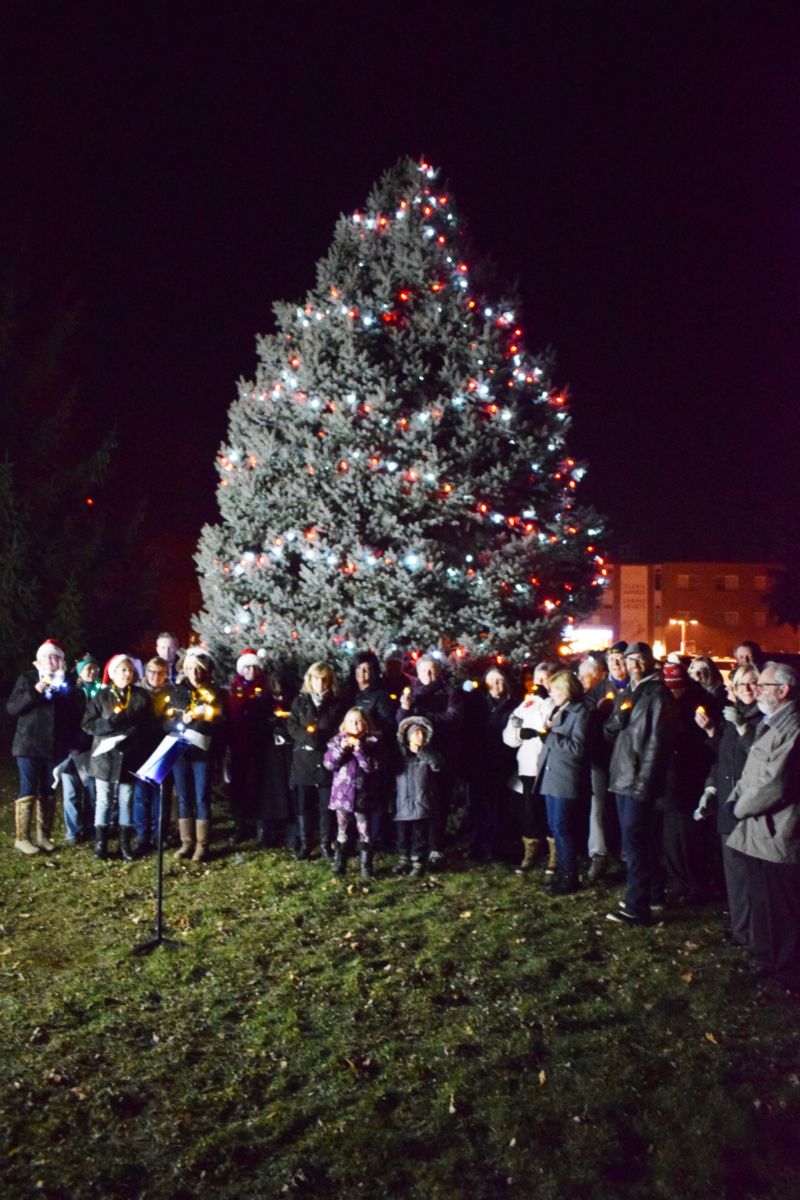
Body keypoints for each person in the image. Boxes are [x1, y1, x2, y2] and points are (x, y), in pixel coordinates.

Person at [726, 662, 800, 995]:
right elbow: (751, 773)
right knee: (762, 903)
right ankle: (769, 960)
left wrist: (738, 809)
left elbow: (774, 783)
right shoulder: (770, 725)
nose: (756, 690)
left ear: (783, 691)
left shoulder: (793, 729)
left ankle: (789, 973)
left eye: (763, 685)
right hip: (758, 834)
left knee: (782, 909)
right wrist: (734, 801)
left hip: (777, 833)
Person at [694, 664, 761, 946]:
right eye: (740, 684)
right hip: (728, 805)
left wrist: (743, 727)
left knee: (751, 876)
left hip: (749, 807)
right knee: (734, 874)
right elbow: (723, 759)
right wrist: (710, 788)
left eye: (752, 682)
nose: (747, 689)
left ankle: (755, 934)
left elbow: (759, 758)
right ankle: (740, 929)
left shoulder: (762, 718)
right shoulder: (733, 716)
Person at [605, 643, 671, 926]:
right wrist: (618, 719)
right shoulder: (628, 692)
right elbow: (609, 733)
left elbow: (657, 743)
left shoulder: (658, 694)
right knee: (638, 840)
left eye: (640, 659)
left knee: (635, 843)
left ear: (651, 662)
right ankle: (653, 895)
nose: (634, 664)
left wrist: (644, 783)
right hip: (622, 776)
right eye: (630, 659)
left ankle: (637, 905)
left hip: (637, 780)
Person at [7, 639, 83, 855]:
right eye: (46, 657)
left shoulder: (67, 684)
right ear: (38, 660)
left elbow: (73, 716)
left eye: (55, 656)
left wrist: (73, 744)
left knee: (48, 792)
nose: (50, 660)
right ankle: (22, 838)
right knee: (28, 790)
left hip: (55, 747)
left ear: (61, 660)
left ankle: (44, 836)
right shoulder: (28, 679)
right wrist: (36, 691)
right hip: (28, 746)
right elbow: (13, 708)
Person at [82, 654, 152, 861]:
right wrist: (109, 723)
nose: (127, 674)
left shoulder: (141, 696)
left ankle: (125, 844)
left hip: (130, 754)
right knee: (103, 800)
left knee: (126, 799)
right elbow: (87, 724)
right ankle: (101, 844)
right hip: (105, 757)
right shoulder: (102, 696)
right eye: (123, 670)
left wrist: (135, 734)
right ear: (112, 673)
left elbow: (149, 724)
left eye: (130, 670)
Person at [659, 661, 715, 904]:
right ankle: (679, 882)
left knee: (685, 836)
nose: (674, 691)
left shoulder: (697, 702)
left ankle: (692, 884)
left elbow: (698, 742)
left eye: (677, 687)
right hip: (671, 780)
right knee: (672, 836)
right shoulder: (669, 701)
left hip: (687, 779)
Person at [397, 654, 463, 863]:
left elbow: (453, 717)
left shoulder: (450, 692)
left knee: (440, 800)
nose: (429, 674)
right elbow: (401, 723)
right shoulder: (412, 693)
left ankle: (436, 846)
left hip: (443, 753)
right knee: (420, 799)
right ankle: (416, 845)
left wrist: (422, 717)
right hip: (416, 758)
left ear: (439, 671)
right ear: (417, 673)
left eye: (432, 670)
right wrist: (405, 709)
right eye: (424, 670)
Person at [163, 648, 225, 862]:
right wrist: (182, 721)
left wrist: (204, 719)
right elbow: (166, 721)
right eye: (189, 668)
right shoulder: (178, 691)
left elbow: (220, 719)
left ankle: (202, 844)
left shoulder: (214, 692)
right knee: (183, 796)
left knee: (202, 796)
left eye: (198, 669)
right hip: (181, 751)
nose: (194, 673)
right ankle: (186, 842)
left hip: (203, 752)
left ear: (204, 670)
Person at [534, 670, 589, 895]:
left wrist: (550, 736)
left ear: (567, 689)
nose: (551, 693)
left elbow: (578, 748)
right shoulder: (559, 710)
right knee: (555, 826)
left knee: (563, 827)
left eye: (555, 689)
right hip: (551, 775)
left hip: (565, 778)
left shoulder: (580, 713)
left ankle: (570, 876)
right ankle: (564, 871)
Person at [503, 661, 557, 872]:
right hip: (528, 766)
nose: (540, 684)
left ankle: (555, 853)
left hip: (550, 765)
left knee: (550, 810)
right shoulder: (526, 704)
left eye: (545, 679)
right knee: (530, 810)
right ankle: (531, 851)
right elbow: (510, 736)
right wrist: (518, 732)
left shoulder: (556, 701)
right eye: (537, 680)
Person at [287, 662, 341, 860]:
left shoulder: (336, 703)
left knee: (326, 806)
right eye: (316, 678)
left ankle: (326, 844)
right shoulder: (301, 701)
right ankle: (305, 845)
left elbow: (339, 727)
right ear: (310, 679)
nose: (320, 683)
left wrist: (324, 738)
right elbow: (291, 724)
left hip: (325, 760)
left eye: (324, 679)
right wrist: (307, 737)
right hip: (303, 760)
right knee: (303, 805)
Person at [463, 667, 517, 860]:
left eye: (500, 680)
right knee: (476, 804)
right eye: (491, 680)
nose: (495, 684)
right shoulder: (476, 703)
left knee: (497, 805)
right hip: (478, 761)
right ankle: (475, 843)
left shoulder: (514, 706)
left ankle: (494, 845)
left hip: (501, 761)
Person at [323, 707, 381, 878]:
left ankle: (366, 865)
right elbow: (329, 764)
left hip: (363, 796)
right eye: (351, 721)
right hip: (342, 796)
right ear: (345, 724)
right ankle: (340, 862)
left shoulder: (372, 743)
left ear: (366, 724)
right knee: (342, 830)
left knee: (365, 831)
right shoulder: (336, 741)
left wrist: (359, 750)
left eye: (359, 721)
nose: (355, 725)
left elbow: (371, 767)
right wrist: (341, 749)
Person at [227, 648, 273, 844]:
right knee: (238, 785)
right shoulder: (234, 689)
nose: (251, 671)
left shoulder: (266, 689)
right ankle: (240, 825)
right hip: (238, 744)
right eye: (247, 667)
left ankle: (260, 825)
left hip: (260, 745)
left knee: (259, 785)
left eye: (254, 667)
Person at [580, 652, 617, 882]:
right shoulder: (588, 698)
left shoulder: (606, 691)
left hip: (611, 756)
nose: (582, 681)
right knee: (597, 806)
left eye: (586, 677)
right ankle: (599, 853)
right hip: (596, 758)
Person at [132, 656, 172, 854]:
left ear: (166, 675)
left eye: (160, 673)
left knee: (161, 794)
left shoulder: (171, 693)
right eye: (152, 672)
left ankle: (159, 835)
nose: (156, 676)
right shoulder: (137, 692)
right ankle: (142, 836)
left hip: (163, 748)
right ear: (146, 672)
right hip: (141, 749)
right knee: (141, 794)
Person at [394, 716, 442, 877]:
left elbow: (437, 765)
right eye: (416, 733)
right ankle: (403, 860)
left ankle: (418, 861)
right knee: (402, 834)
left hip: (422, 802)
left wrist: (422, 752)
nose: (420, 736)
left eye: (422, 733)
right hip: (402, 802)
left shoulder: (429, 753)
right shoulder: (399, 756)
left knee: (419, 834)